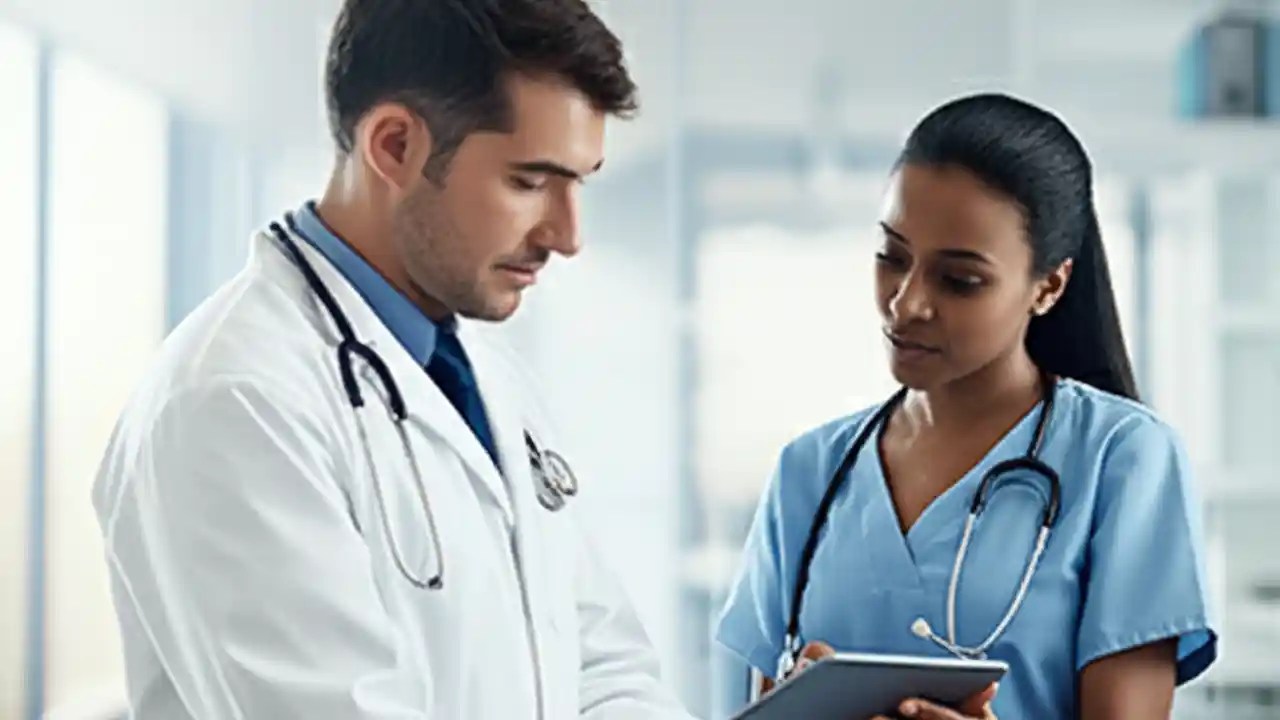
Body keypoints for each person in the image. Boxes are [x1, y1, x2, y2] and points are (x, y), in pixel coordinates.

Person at [91, 1, 696, 717]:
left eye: (579, 182)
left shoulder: (490, 383)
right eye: (530, 183)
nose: (568, 236)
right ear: (395, 146)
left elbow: (605, 672)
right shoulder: (236, 401)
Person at [714, 92, 1219, 719]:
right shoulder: (809, 472)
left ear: (1049, 285)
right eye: (891, 258)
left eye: (959, 280)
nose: (905, 304)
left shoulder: (1123, 460)